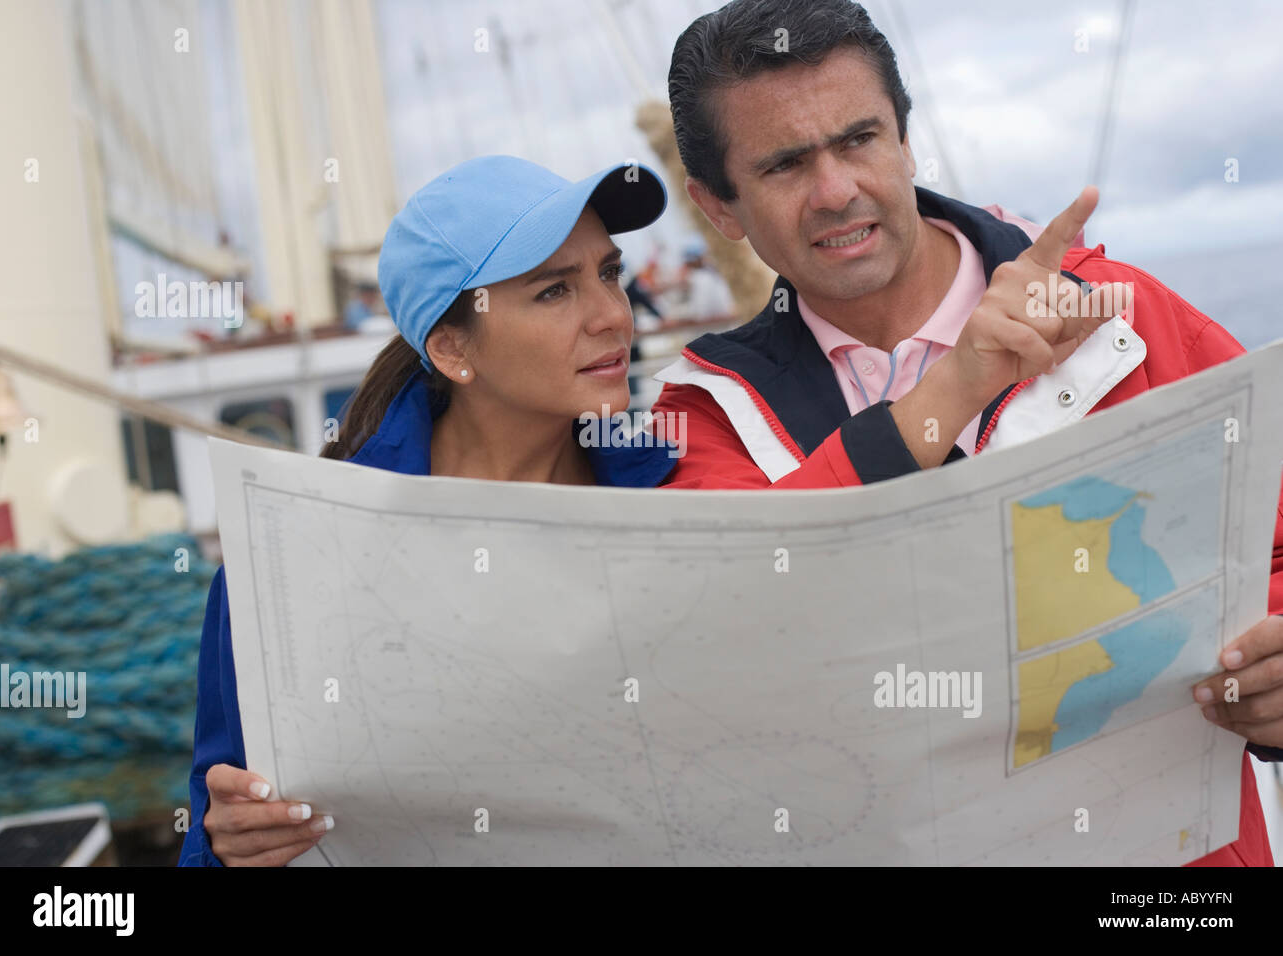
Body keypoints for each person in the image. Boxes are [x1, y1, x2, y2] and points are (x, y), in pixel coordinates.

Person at [650, 0, 1283, 865]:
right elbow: (717, 642)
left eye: (860, 139)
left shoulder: (1120, 316)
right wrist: (956, 386)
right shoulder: (702, 414)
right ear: (719, 207)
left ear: (907, 141)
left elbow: (1272, 547)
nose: (836, 190)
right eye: (786, 164)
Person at [179, 154, 671, 866]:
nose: (613, 316)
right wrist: (224, 845)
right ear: (451, 347)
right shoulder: (289, 562)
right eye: (554, 291)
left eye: (609, 273)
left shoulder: (682, 503)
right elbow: (217, 819)